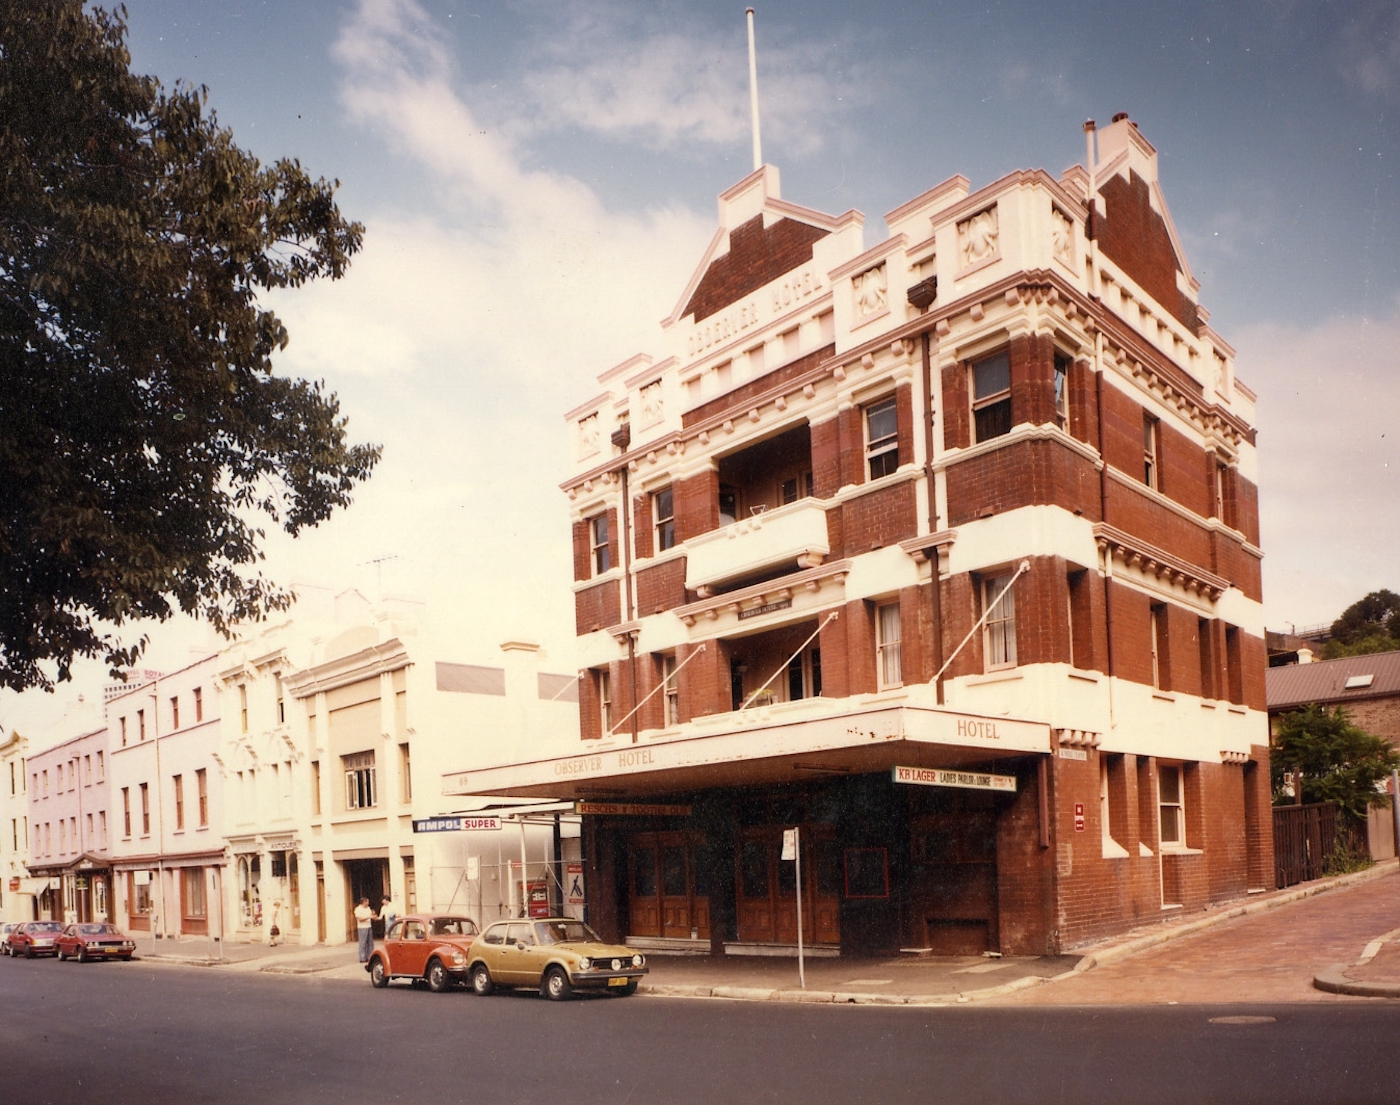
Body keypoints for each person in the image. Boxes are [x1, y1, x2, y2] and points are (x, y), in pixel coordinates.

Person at [354, 897, 374, 963]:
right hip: (362, 927)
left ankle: (370, 957)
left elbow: (371, 915)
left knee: (370, 943)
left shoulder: (368, 908)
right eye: (367, 902)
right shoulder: (358, 909)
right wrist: (368, 917)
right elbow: (359, 919)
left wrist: (373, 915)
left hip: (369, 926)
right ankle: (362, 958)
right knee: (363, 943)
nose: (368, 903)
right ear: (363, 902)